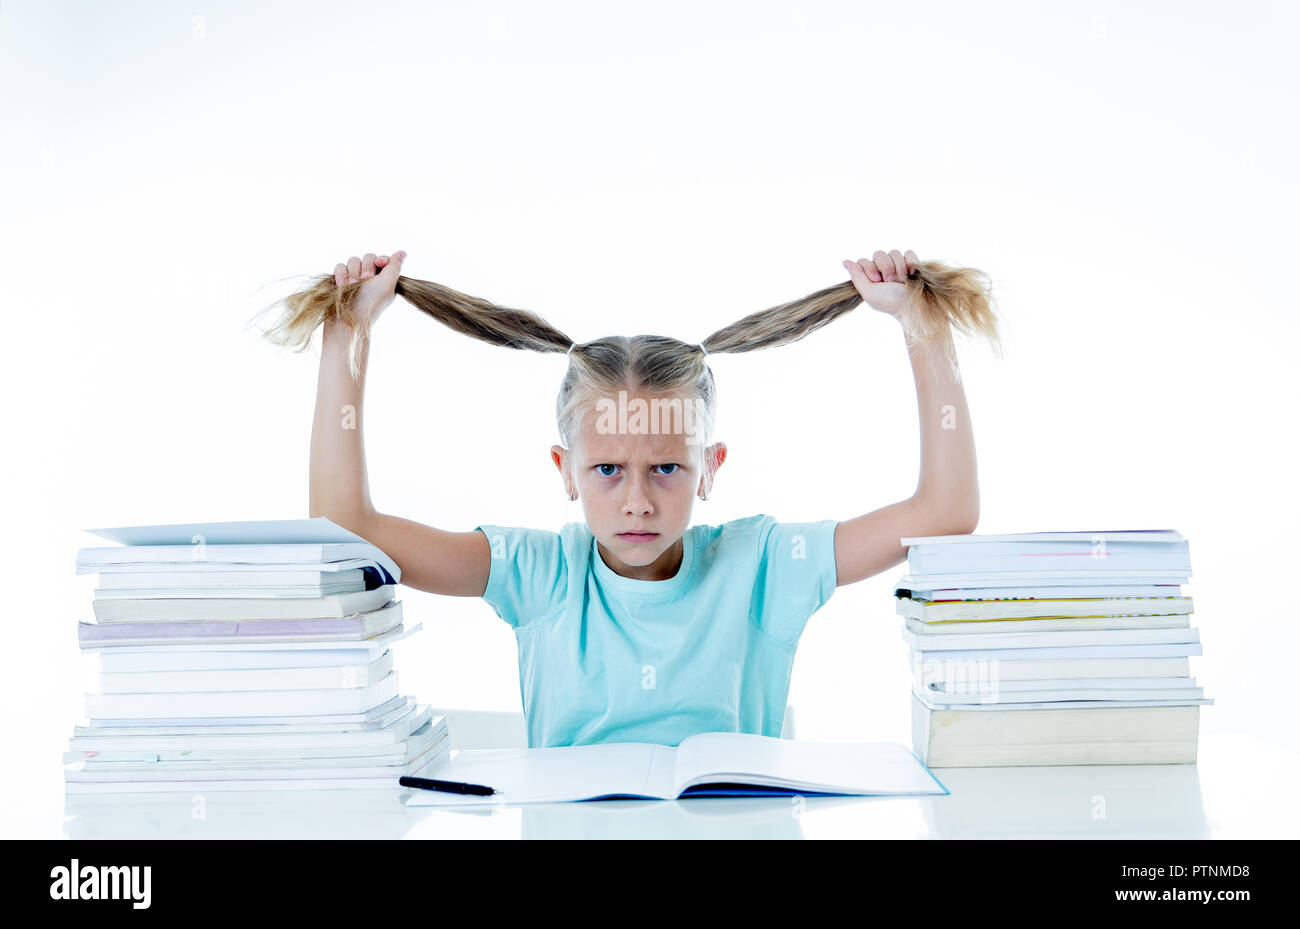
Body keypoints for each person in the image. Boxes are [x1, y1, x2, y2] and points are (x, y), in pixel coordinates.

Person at [262, 247, 998, 747]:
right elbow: (346, 527)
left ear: (711, 468)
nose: (637, 500)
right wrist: (346, 333)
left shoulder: (765, 564)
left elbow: (943, 511)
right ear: (565, 468)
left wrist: (921, 325)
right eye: (608, 469)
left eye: (668, 469)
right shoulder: (539, 573)